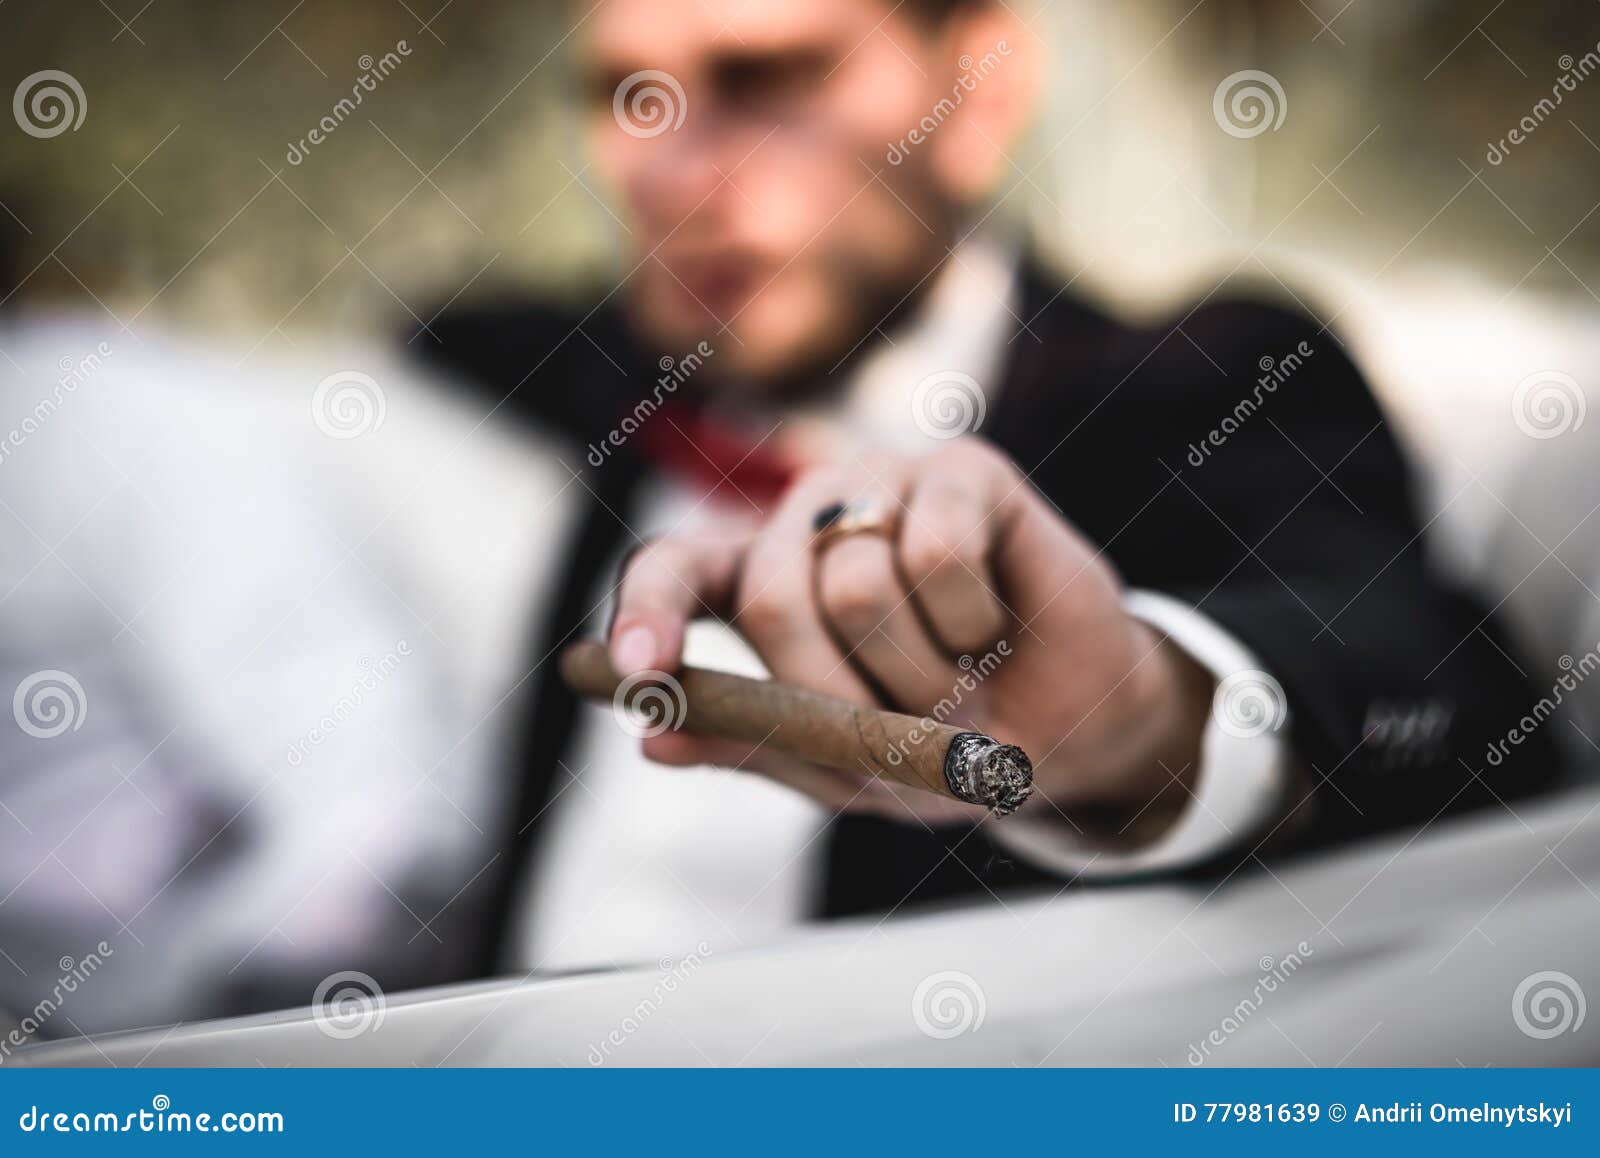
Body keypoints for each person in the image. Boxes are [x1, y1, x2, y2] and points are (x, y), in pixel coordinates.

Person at [412, 0, 1560, 978]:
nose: (671, 171)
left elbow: (1430, 689)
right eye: (625, 96)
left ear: (976, 96)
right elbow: (460, 333)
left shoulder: (1209, 387)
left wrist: (1141, 723)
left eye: (767, 79)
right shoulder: (601, 375)